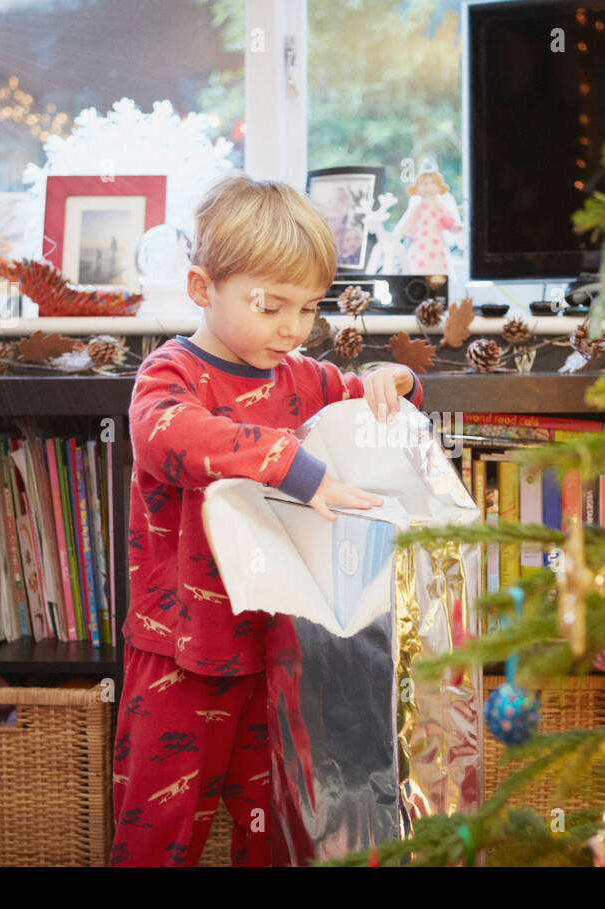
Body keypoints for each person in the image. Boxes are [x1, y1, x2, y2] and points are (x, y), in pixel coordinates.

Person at [110, 173, 424, 866]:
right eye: (271, 305)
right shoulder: (170, 376)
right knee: (157, 837)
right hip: (182, 656)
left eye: (309, 309)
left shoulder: (302, 376)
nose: (292, 327)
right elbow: (172, 436)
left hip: (280, 659)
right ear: (202, 289)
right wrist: (291, 465)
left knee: (276, 836)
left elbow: (367, 400)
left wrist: (392, 383)